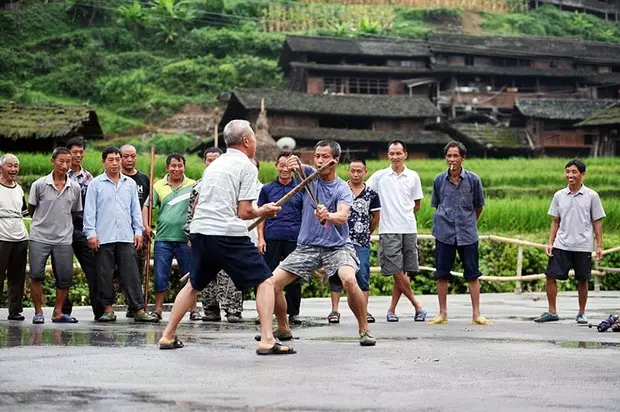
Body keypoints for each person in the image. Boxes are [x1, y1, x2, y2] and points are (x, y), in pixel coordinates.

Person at [159, 120, 293, 355]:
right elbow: (245, 212)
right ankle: (267, 339)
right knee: (266, 281)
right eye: (253, 138)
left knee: (194, 284)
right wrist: (266, 210)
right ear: (246, 141)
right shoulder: (247, 166)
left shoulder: (214, 165)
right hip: (226, 233)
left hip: (200, 231)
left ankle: (168, 336)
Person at [271, 140, 376, 347]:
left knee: (348, 279)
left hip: (337, 246)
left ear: (335, 160)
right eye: (317, 156)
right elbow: (299, 165)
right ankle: (283, 327)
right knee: (272, 283)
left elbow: (343, 215)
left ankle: (364, 328)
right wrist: (293, 161)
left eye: (324, 157)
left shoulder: (342, 189)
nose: (319, 160)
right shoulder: (310, 176)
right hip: (307, 246)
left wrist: (329, 215)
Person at [83, 146, 158, 323]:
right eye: (111, 160)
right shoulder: (96, 184)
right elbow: (89, 212)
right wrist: (91, 234)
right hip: (104, 237)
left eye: (118, 159)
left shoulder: (130, 184)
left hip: (126, 236)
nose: (115, 163)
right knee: (105, 274)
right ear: (103, 162)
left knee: (131, 273)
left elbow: (135, 211)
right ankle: (108, 309)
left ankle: (138, 309)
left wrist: (138, 231)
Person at [428, 141, 492, 326]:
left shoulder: (473, 180)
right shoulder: (439, 180)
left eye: (456, 156)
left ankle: (476, 315)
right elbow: (437, 204)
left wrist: (468, 222)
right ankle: (442, 314)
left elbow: (478, 206)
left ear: (463, 158)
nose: (452, 159)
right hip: (444, 233)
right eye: (449, 156)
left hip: (467, 233)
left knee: (472, 274)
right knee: (441, 275)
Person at [534, 159, 605, 324]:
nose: (570, 175)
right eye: (567, 172)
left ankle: (581, 313)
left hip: (583, 245)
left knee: (583, 279)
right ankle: (552, 311)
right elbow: (555, 221)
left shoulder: (592, 196)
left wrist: (599, 245)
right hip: (562, 244)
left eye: (574, 172)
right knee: (550, 275)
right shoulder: (559, 195)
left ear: (582, 174)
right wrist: (550, 242)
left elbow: (597, 222)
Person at [366, 140, 427, 323]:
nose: (395, 157)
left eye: (398, 153)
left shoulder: (413, 176)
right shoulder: (379, 176)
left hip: (409, 228)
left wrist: (403, 214)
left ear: (405, 154)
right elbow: (363, 191)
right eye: (391, 153)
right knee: (396, 271)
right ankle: (418, 305)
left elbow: (416, 204)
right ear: (388, 155)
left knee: (403, 272)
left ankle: (392, 310)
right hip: (388, 229)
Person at [185, 147, 244, 322]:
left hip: (228, 234)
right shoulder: (198, 187)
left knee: (230, 274)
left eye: (217, 159)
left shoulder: (234, 183)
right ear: (205, 162)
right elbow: (191, 213)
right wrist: (191, 235)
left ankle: (233, 310)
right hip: (204, 234)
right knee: (206, 274)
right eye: (210, 160)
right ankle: (211, 309)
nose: (213, 163)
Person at [28, 147, 82, 324]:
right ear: (52, 161)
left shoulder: (74, 188)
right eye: (61, 161)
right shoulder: (39, 185)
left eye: (68, 162)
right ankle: (38, 312)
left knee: (65, 277)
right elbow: (31, 210)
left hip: (63, 239)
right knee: (36, 274)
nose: (65, 165)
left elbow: (74, 212)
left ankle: (58, 313)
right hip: (39, 237)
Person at [328, 159, 380, 324]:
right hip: (339, 241)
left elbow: (375, 218)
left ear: (366, 171)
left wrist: (365, 233)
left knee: (362, 275)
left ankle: (364, 310)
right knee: (336, 275)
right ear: (348, 171)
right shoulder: (340, 190)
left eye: (359, 171)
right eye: (353, 171)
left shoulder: (372, 194)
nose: (356, 174)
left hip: (361, 242)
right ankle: (335, 310)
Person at [257, 151, 304, 325]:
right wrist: (261, 239)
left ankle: (293, 313)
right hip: (272, 237)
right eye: (281, 165)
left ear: (293, 168)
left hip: (294, 239)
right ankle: (265, 311)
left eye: (288, 166)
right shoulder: (267, 189)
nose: (285, 169)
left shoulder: (301, 188)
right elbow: (260, 217)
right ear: (276, 166)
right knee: (266, 276)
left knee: (293, 277)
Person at [151, 153, 195, 320]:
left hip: (186, 239)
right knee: (160, 275)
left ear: (184, 166)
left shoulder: (193, 185)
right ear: (167, 167)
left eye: (180, 165)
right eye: (173, 166)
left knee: (190, 275)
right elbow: (148, 207)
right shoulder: (157, 186)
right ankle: (157, 310)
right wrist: (146, 226)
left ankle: (193, 310)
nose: (177, 169)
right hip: (163, 239)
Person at [66, 137, 103, 320]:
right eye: (75, 152)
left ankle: (100, 310)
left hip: (83, 227)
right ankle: (63, 311)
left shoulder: (89, 178)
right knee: (63, 269)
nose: (78, 155)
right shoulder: (60, 176)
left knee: (93, 269)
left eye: (81, 152)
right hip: (63, 227)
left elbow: (94, 206)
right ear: (67, 153)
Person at [119, 144, 151, 317]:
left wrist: (145, 227)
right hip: (118, 232)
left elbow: (147, 205)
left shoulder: (144, 179)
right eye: (126, 156)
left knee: (137, 271)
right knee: (117, 272)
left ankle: (135, 306)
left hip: (138, 232)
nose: (129, 160)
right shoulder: (115, 177)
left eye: (133, 156)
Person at [0, 154, 28, 321]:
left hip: (20, 236)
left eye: (16, 166)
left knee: (17, 276)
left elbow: (24, 212)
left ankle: (15, 310)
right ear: (1, 168)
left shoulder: (18, 189)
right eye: (9, 166)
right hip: (1, 236)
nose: (13, 169)